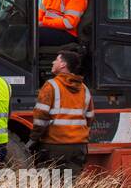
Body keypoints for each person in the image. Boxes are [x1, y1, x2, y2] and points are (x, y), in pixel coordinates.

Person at [29, 46, 93, 179]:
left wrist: (33, 139)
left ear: (63, 65)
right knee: (71, 187)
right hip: (78, 147)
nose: (53, 62)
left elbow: (41, 118)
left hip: (54, 145)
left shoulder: (51, 86)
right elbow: (90, 118)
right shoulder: (84, 89)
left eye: (56, 60)